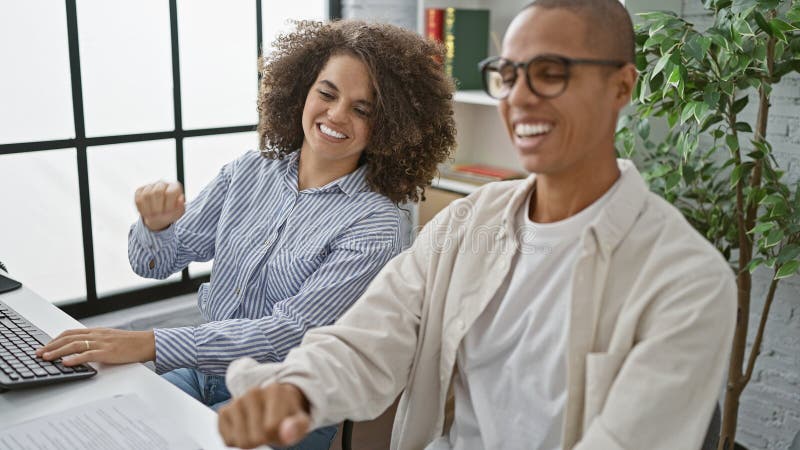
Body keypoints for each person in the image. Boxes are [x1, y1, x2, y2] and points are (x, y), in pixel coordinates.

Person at [216, 1, 738, 449]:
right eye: (507, 75)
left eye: (550, 73)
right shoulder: (470, 221)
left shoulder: (686, 281)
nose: (520, 97)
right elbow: (370, 338)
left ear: (621, 86)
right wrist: (294, 390)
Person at [35, 19, 456, 450]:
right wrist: (155, 226)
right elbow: (157, 262)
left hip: (282, 397)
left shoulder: (376, 225)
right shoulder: (247, 172)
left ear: (389, 127)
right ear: (302, 90)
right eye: (326, 93)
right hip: (202, 371)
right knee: (102, 429)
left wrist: (148, 343)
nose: (336, 114)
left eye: (362, 109)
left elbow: (287, 336)